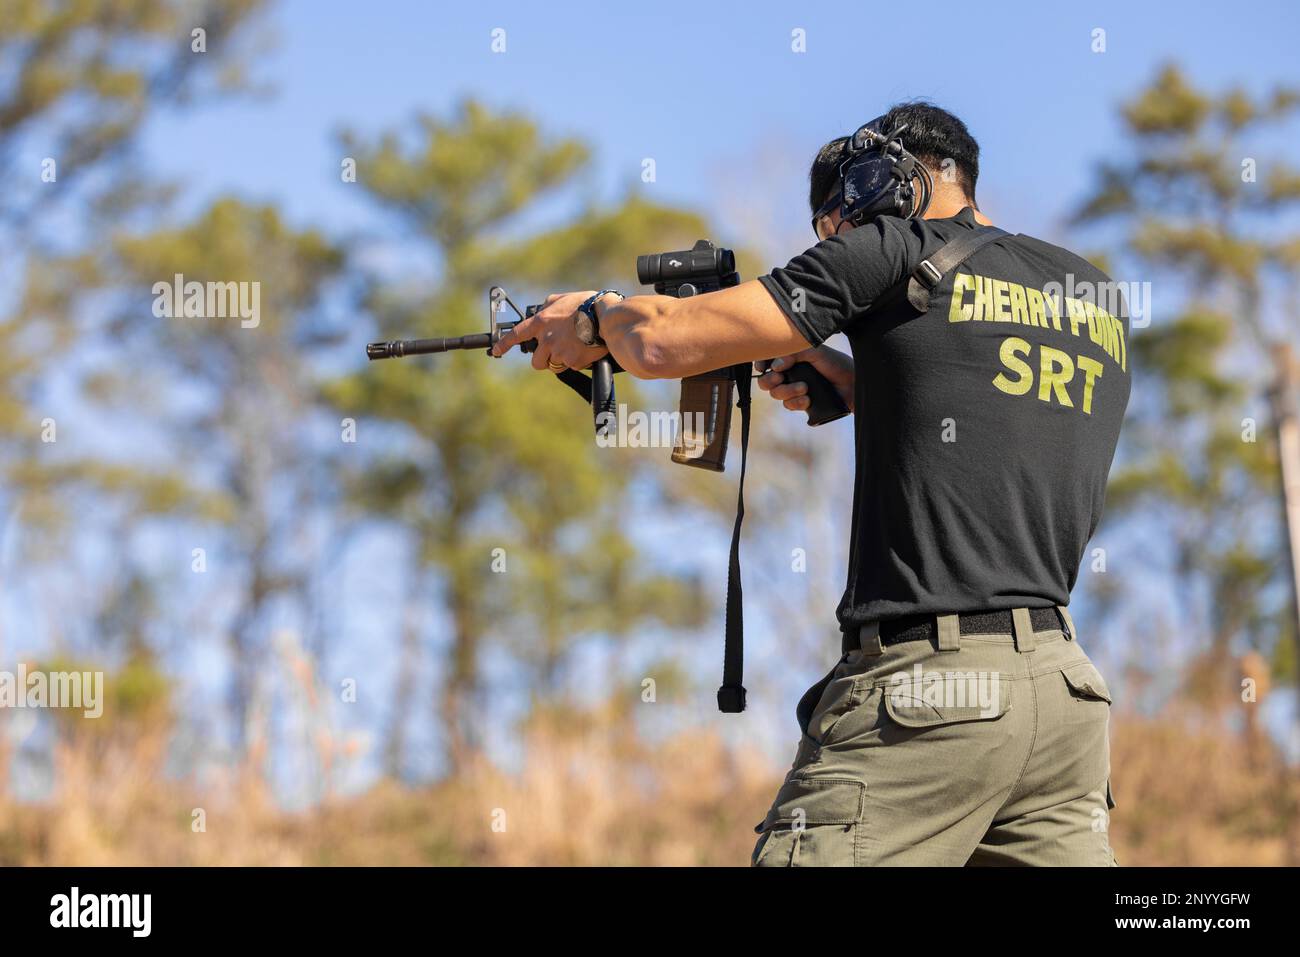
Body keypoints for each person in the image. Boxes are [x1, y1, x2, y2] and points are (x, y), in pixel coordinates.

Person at [493, 102, 1130, 866]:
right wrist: (860, 383)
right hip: (1066, 703)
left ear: (886, 183)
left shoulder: (895, 248)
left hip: (929, 692)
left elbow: (663, 341)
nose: (842, 245)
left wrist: (595, 318)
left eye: (838, 228)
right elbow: (989, 405)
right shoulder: (1092, 297)